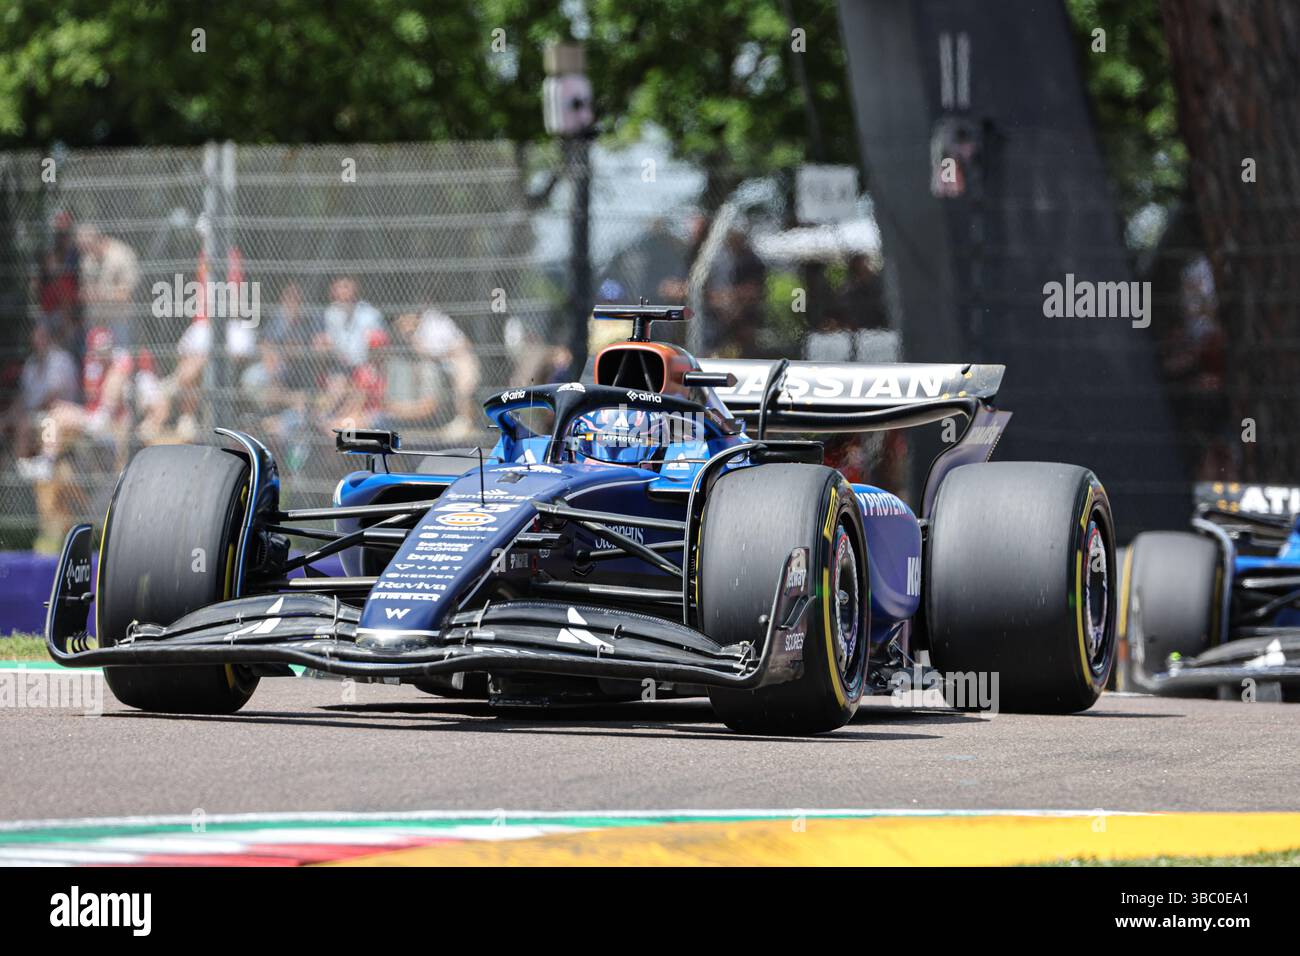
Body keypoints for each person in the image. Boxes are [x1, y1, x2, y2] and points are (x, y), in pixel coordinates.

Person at [410, 307, 481, 438]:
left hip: (459, 360)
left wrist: (436, 352)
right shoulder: (420, 329)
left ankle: (465, 423)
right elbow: (423, 350)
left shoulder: (435, 321)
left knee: (464, 385)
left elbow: (463, 345)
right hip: (444, 363)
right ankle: (459, 423)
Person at [77, 225, 140, 348]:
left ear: (98, 240)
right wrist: (85, 294)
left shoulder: (122, 255)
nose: (85, 252)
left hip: (118, 320)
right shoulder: (87, 260)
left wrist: (101, 295)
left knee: (120, 358)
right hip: (95, 322)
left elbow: (126, 294)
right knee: (94, 362)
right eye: (82, 249)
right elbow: (83, 291)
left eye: (87, 247)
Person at [321, 277, 382, 368]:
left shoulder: (369, 312)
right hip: (338, 363)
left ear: (355, 288)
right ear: (333, 290)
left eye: (346, 286)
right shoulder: (330, 313)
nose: (343, 291)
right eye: (339, 287)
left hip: (366, 363)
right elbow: (328, 339)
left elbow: (378, 340)